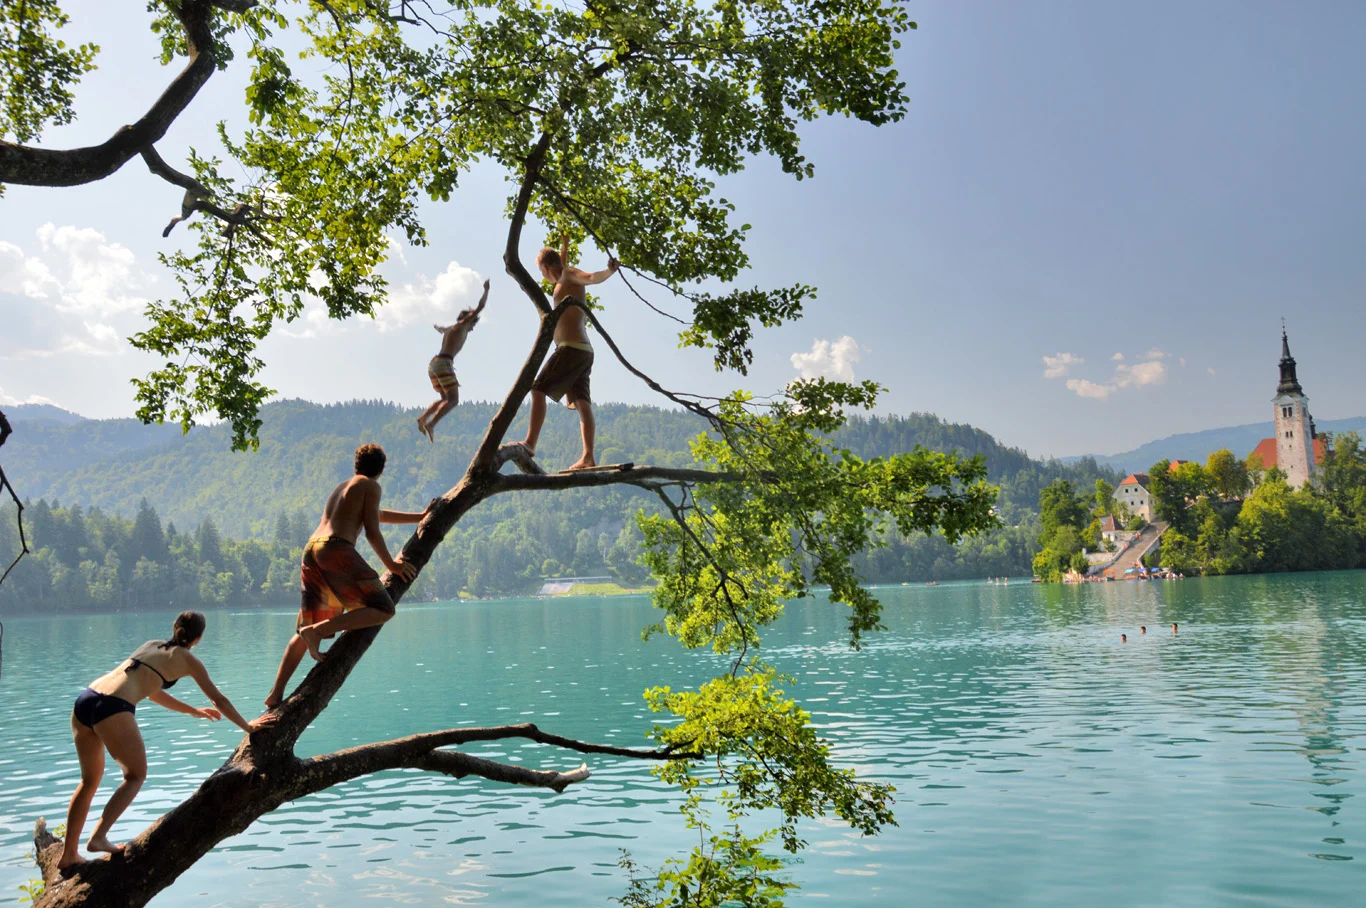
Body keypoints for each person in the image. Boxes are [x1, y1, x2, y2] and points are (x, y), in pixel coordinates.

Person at [59, 611, 272, 870]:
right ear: (199, 637)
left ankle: (69, 854)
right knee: (135, 775)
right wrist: (248, 726)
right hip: (112, 707)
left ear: (175, 627)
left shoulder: (151, 645)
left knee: (89, 781)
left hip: (87, 698)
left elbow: (152, 692)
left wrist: (193, 710)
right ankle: (99, 837)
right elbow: (219, 700)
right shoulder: (190, 661)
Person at [265, 444, 430, 708]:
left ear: (356, 465)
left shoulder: (343, 488)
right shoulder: (371, 486)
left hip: (312, 550)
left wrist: (420, 517)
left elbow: (378, 515)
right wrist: (393, 564)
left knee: (303, 628)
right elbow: (372, 532)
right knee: (384, 608)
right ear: (381, 469)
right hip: (335, 549)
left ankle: (275, 694)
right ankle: (318, 630)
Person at [514, 236, 619, 471]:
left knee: (537, 388)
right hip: (583, 352)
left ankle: (530, 443)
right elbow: (560, 264)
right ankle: (588, 457)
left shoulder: (569, 274)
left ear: (545, 268)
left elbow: (591, 278)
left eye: (541, 271)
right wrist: (565, 244)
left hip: (570, 349)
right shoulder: (562, 278)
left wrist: (609, 271)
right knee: (582, 403)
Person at [417, 279, 489, 441]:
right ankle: (431, 423)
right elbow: (481, 307)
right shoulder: (461, 326)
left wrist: (437, 327)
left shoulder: (450, 329)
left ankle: (423, 418)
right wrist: (486, 290)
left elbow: (441, 329)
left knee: (444, 399)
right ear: (468, 320)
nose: (472, 328)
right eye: (473, 324)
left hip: (434, 363)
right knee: (454, 400)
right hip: (444, 363)